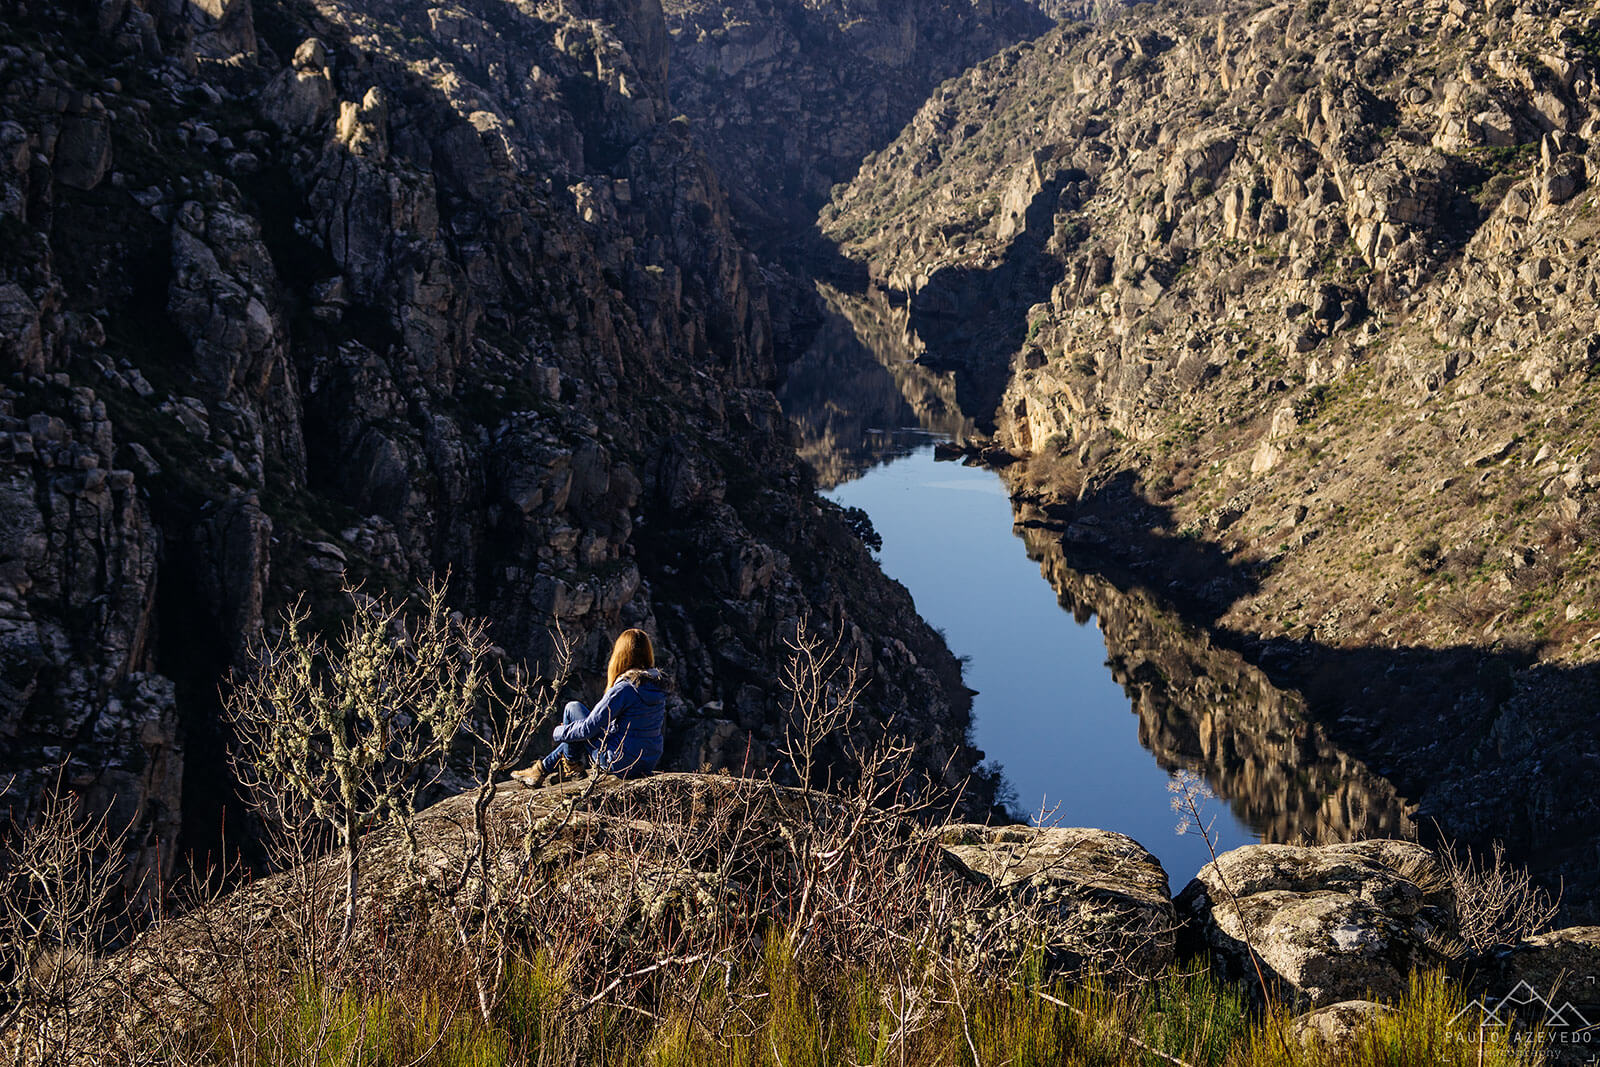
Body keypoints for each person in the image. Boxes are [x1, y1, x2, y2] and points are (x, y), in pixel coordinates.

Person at [513, 628, 666, 785]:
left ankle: (570, 768)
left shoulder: (624, 689)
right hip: (647, 760)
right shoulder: (657, 685)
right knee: (576, 728)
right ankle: (542, 769)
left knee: (572, 709)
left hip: (619, 762)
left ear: (621, 655)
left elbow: (589, 728)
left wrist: (559, 732)